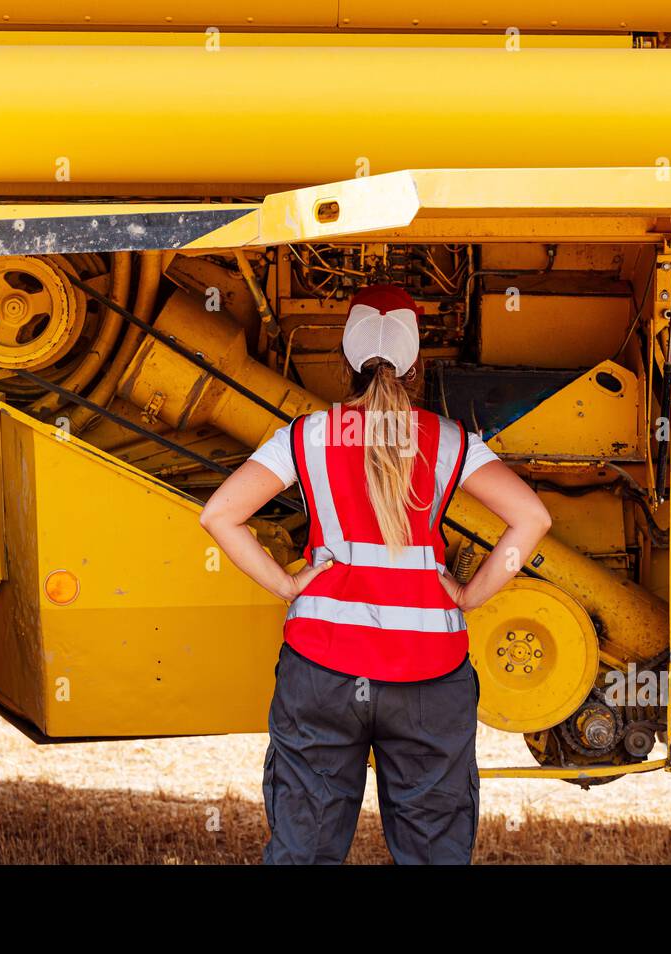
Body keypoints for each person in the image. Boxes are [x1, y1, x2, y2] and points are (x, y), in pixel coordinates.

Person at [199, 284, 552, 864]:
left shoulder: (308, 435)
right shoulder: (448, 441)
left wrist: (288, 586)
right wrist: (468, 594)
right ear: (415, 368)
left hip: (322, 670)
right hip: (429, 676)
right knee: (433, 851)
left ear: (346, 360)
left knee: (303, 848)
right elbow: (531, 519)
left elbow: (220, 516)